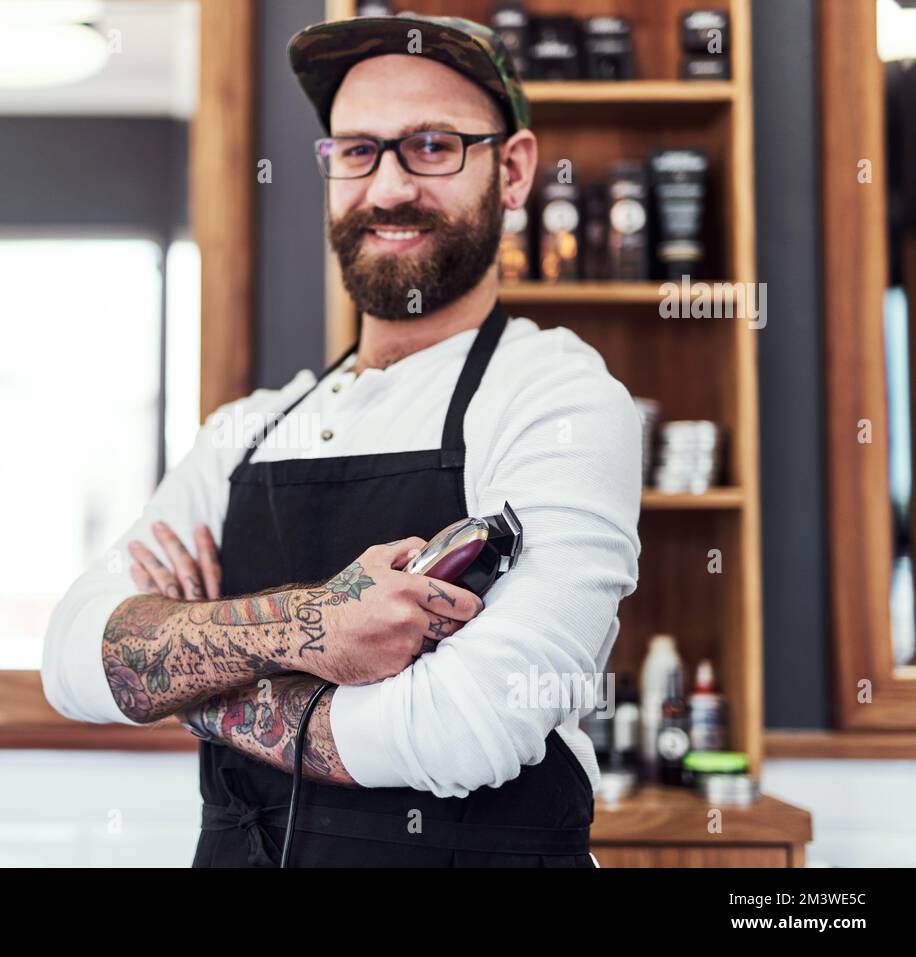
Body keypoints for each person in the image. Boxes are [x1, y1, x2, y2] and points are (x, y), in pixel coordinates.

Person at [42, 12, 641, 867]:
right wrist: (304, 628)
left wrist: (190, 678)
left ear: (512, 172)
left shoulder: (555, 395)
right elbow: (73, 657)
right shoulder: (244, 430)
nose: (389, 186)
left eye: (432, 145)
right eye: (357, 150)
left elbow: (468, 726)